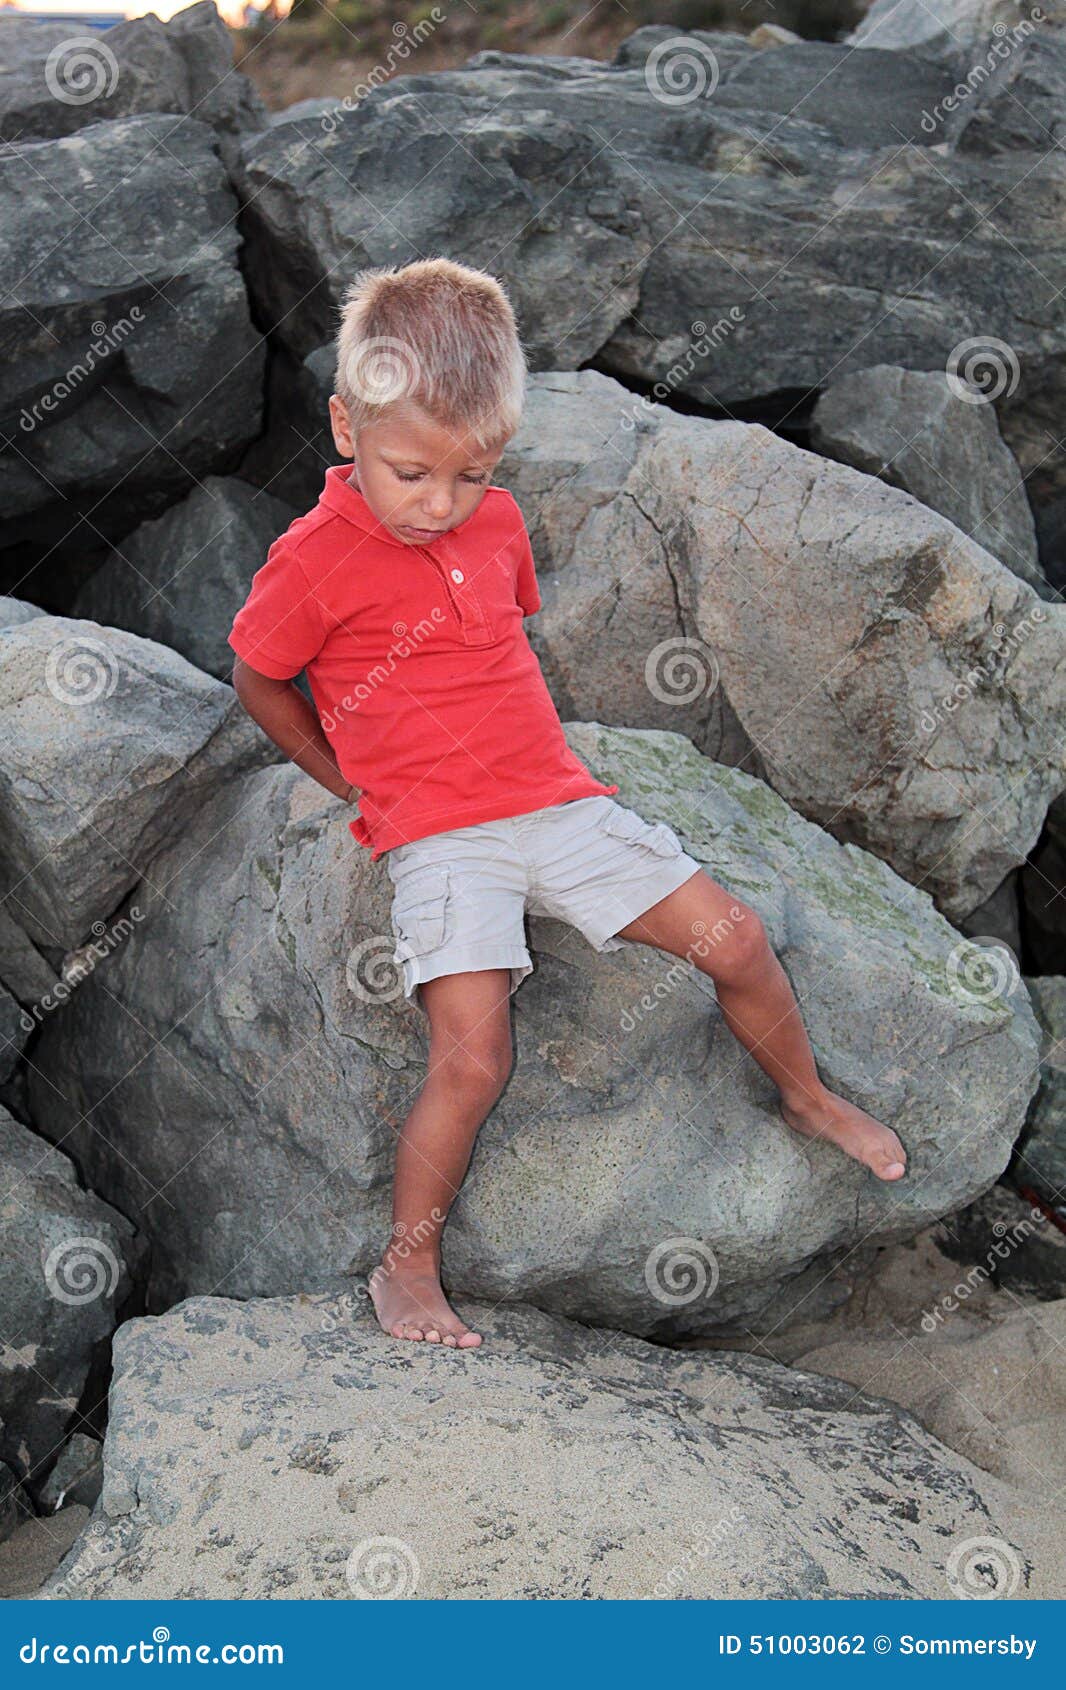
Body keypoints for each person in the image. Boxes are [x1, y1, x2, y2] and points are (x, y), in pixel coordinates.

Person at [227, 257, 907, 1350]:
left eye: (470, 472)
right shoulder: (311, 559)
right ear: (346, 427)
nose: (440, 504)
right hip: (441, 836)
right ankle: (406, 1264)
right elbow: (257, 673)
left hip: (556, 803)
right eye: (412, 474)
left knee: (734, 937)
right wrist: (342, 776)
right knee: (473, 1056)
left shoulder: (493, 523)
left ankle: (805, 1093)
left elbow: (503, 643)